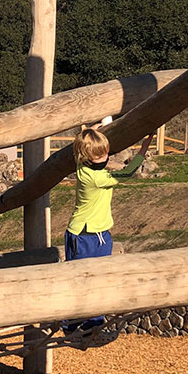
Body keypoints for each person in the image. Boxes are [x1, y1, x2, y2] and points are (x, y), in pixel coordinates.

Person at [63, 128, 152, 332]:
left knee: (100, 277)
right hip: (83, 234)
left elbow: (103, 160)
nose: (104, 158)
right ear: (86, 157)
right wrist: (144, 147)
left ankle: (94, 321)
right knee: (80, 278)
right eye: (99, 155)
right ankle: (71, 321)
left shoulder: (83, 165)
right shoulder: (94, 178)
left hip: (102, 233)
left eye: (106, 153)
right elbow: (128, 172)